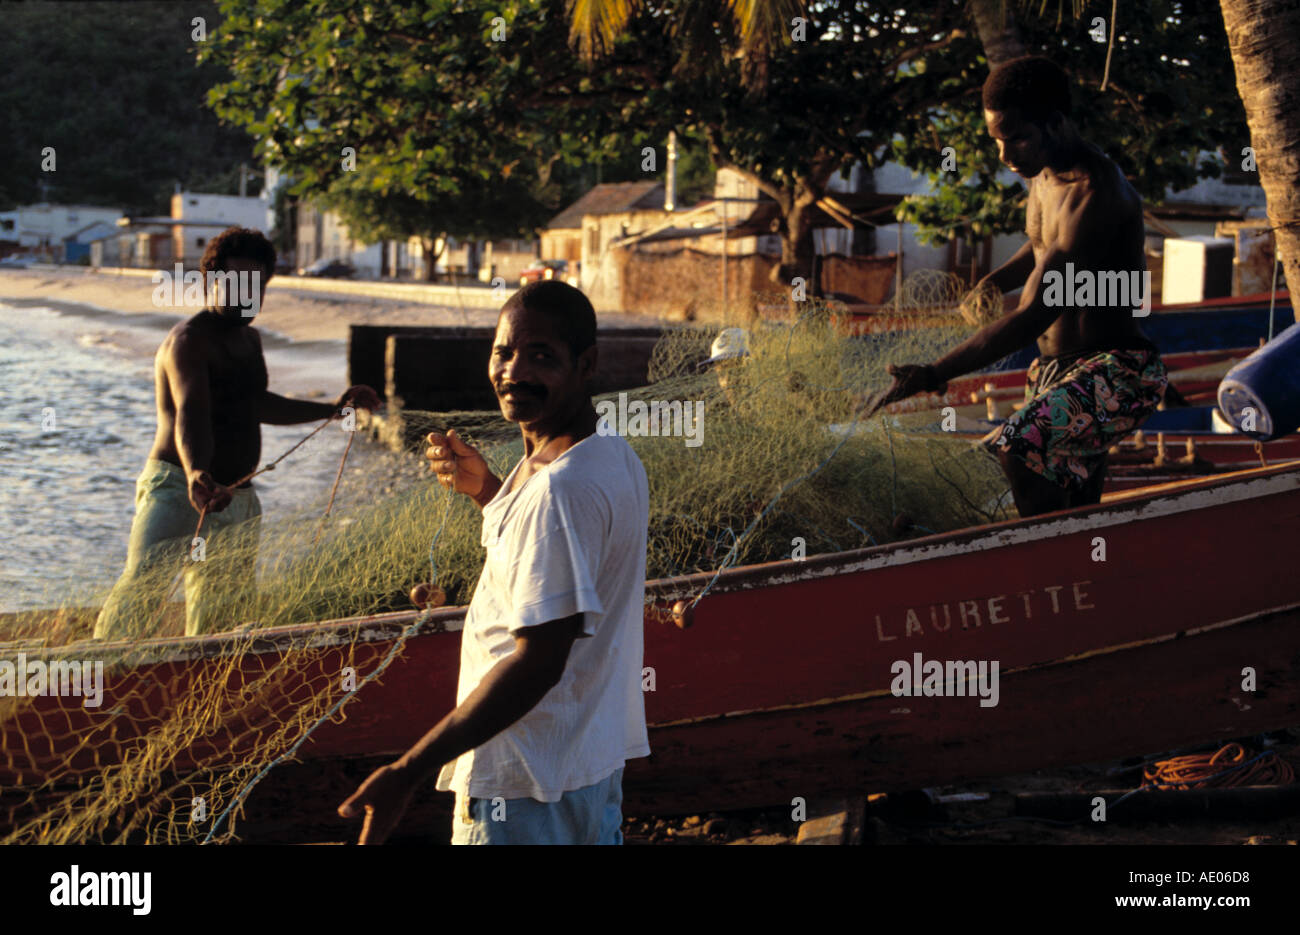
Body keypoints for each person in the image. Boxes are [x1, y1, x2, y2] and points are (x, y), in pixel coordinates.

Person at [338, 280, 651, 845]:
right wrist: (488, 493)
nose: (513, 372)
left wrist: (407, 771)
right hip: (586, 769)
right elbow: (554, 557)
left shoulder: (559, 491)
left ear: (587, 365)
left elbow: (539, 661)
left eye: (541, 356)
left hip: (522, 787)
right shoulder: (613, 457)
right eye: (503, 352)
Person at [879, 56, 1167, 516]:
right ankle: (1080, 571)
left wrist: (935, 373)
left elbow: (1035, 313)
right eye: (996, 141)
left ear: (1054, 123)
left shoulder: (1096, 194)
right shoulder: (1043, 177)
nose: (1006, 156)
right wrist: (995, 280)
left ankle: (1043, 561)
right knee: (1072, 496)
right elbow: (1040, 247)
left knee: (1015, 448)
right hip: (1054, 370)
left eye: (1017, 138)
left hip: (1117, 372)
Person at [94, 228, 379, 640]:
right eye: (237, 283)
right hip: (178, 490)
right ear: (211, 281)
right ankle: (104, 684)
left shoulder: (251, 340)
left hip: (238, 497)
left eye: (258, 285)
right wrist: (196, 472)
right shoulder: (188, 342)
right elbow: (192, 413)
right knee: (140, 596)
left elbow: (257, 403)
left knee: (222, 624)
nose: (248, 295)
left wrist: (334, 409)